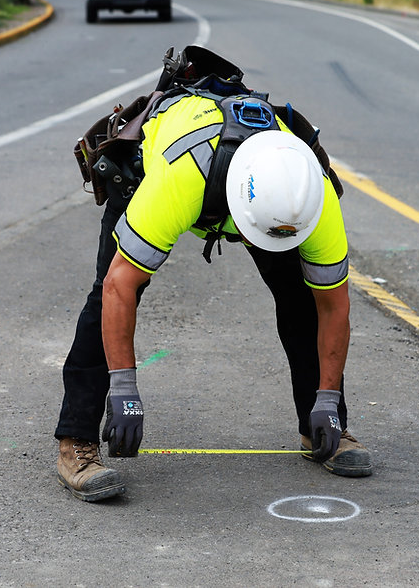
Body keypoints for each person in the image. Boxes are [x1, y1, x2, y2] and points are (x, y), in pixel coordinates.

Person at [55, 46, 372, 502]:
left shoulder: (313, 198)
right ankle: (76, 441)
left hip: (262, 186)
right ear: (241, 214)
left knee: (302, 299)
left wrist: (328, 399)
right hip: (171, 164)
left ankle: (322, 427)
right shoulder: (179, 182)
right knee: (104, 294)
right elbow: (120, 287)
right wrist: (125, 390)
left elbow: (333, 305)